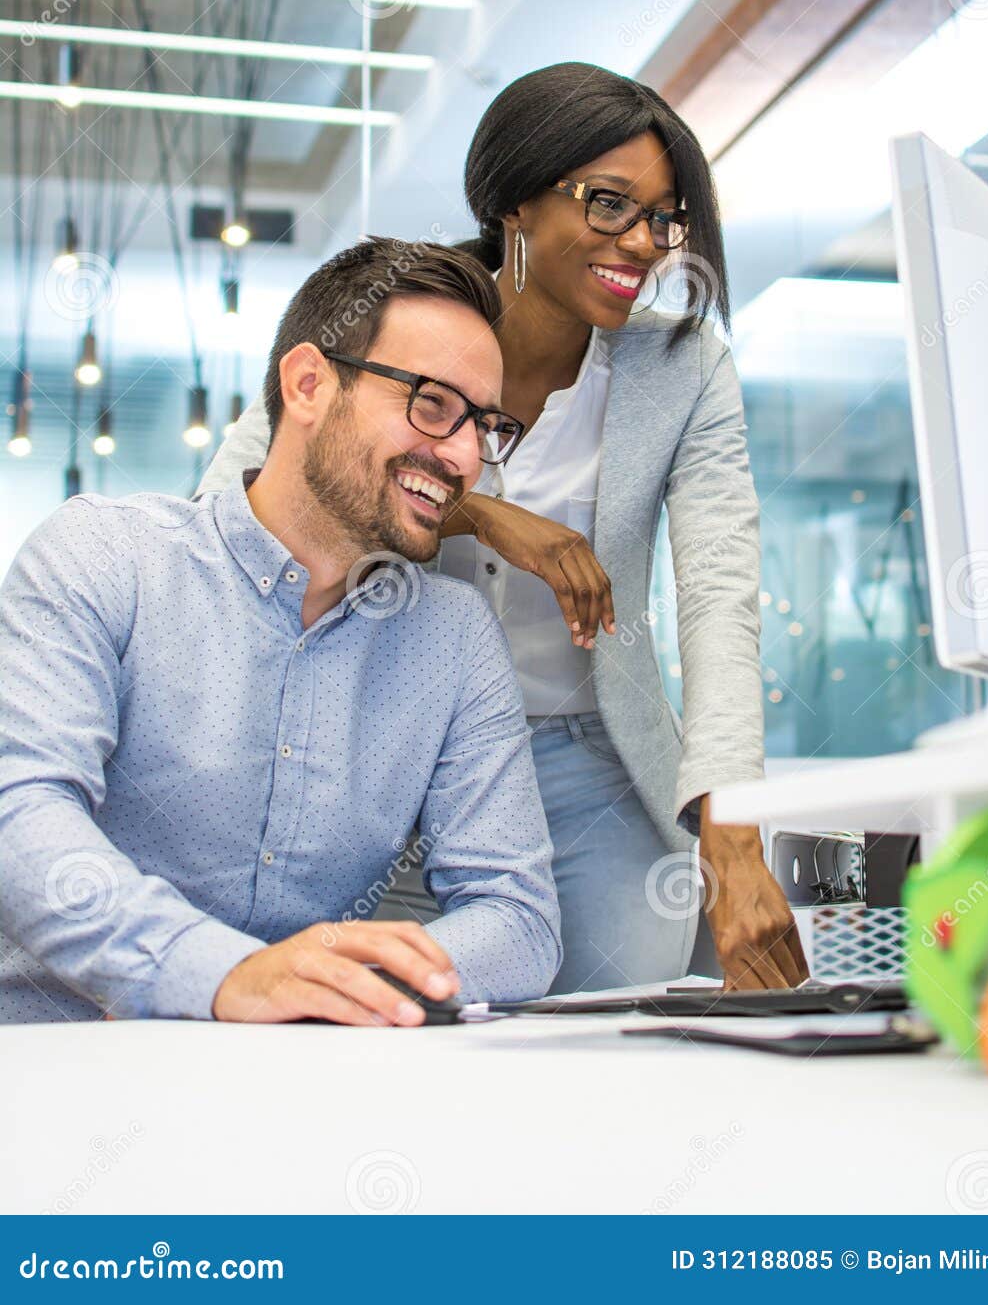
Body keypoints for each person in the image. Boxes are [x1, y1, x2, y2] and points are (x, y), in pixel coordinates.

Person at [203, 62, 808, 995]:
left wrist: (733, 835)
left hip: (590, 759)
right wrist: (480, 512)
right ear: (514, 203)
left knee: (613, 1014)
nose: (643, 242)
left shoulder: (682, 367)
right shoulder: (391, 317)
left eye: (664, 216)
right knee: (377, 1011)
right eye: (609, 205)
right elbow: (233, 500)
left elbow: (721, 594)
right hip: (386, 745)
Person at [0, 240, 560, 1025]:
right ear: (307, 384)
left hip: (298, 1086)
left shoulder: (453, 639)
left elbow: (518, 918)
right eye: (432, 405)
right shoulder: (105, 557)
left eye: (486, 425)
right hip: (54, 1070)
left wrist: (340, 979)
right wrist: (229, 975)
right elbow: (21, 820)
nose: (465, 455)